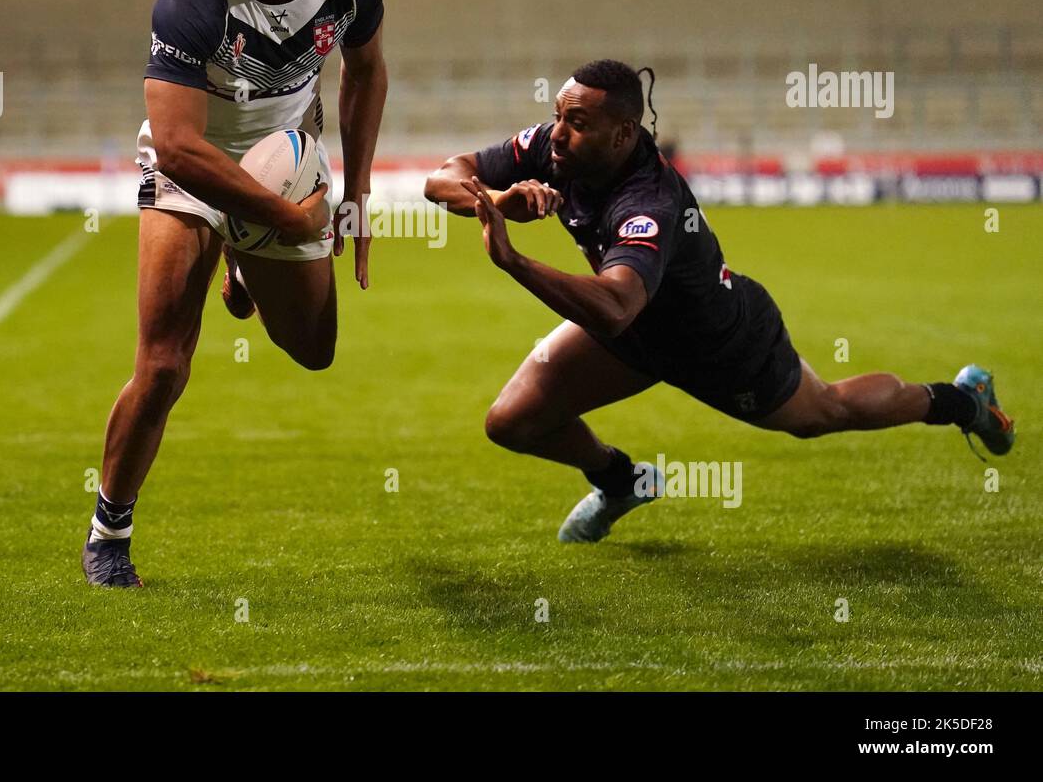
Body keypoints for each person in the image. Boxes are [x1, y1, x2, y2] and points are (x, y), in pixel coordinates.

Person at [424, 59, 1016, 543]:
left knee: (826, 413)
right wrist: (498, 199)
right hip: (634, 334)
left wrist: (515, 261)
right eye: (557, 116)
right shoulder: (557, 150)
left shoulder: (647, 201)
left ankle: (961, 400)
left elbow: (614, 307)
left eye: (574, 121)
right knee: (512, 422)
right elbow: (442, 177)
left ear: (623, 134)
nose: (557, 132)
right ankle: (623, 480)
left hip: (717, 343)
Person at [83, 0, 426, 586]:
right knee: (166, 362)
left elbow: (366, 74)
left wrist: (358, 195)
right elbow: (177, 145)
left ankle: (243, 261)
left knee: (314, 349)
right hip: (191, 167)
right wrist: (271, 217)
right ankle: (111, 528)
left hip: (285, 161)